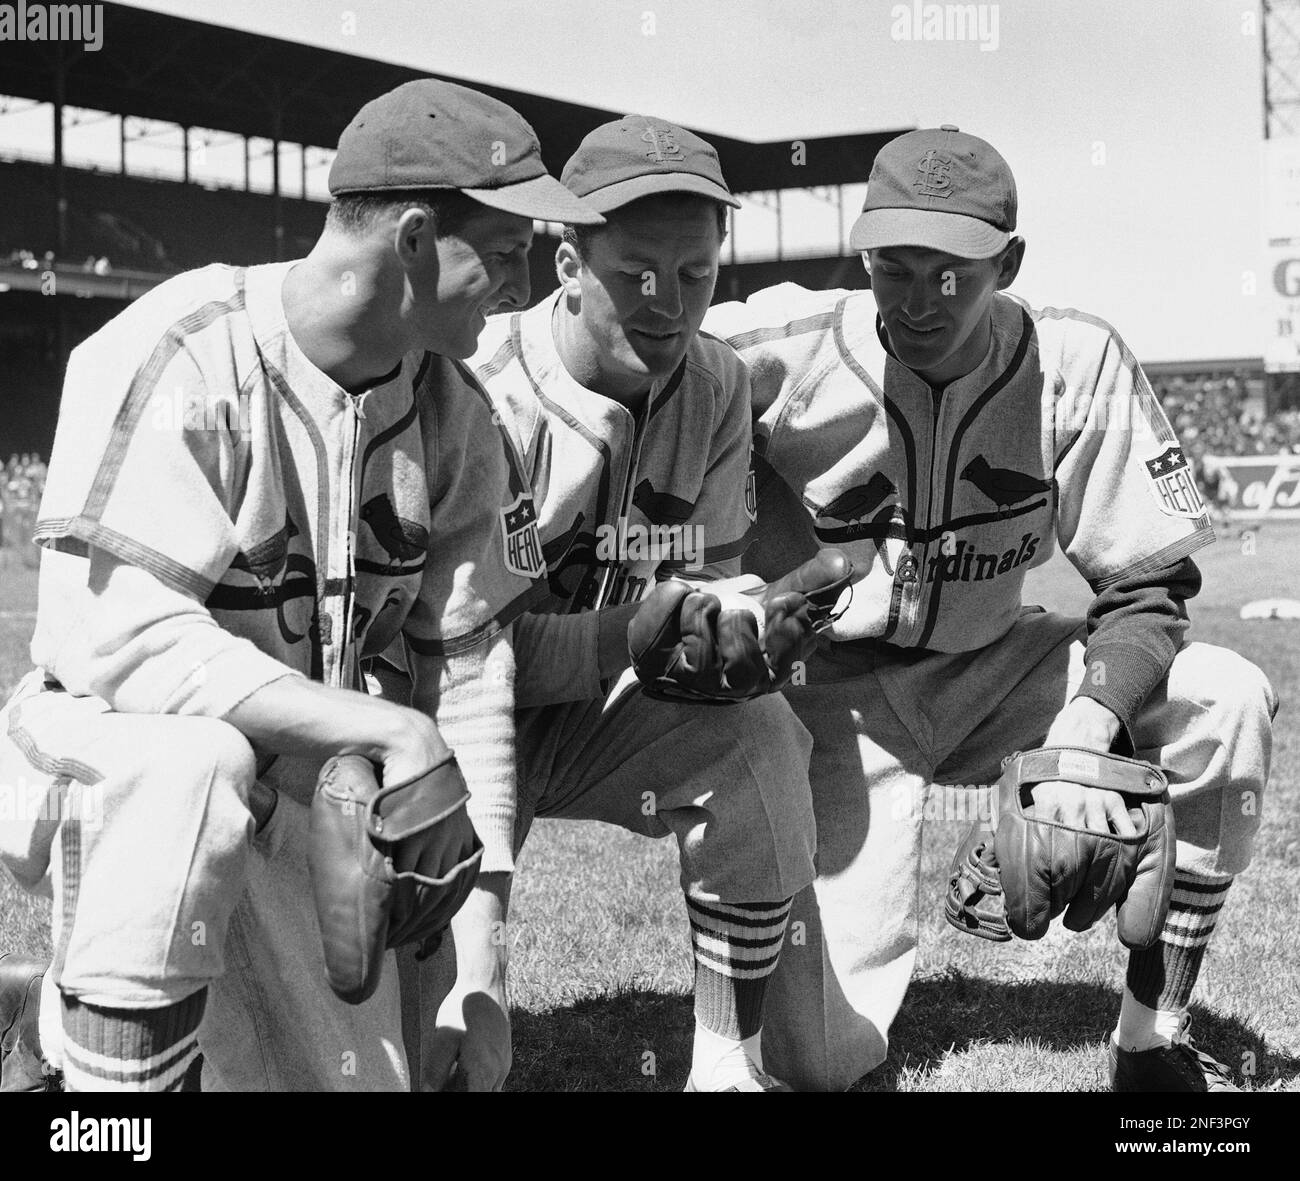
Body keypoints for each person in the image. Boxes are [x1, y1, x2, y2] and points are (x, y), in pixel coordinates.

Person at [0, 79, 602, 1092]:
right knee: (194, 764)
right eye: (505, 253)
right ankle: (82, 1081)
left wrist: (477, 947)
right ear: (414, 238)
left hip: (312, 797)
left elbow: (469, 669)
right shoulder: (186, 348)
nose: (523, 282)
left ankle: (55, 1019)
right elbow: (125, 643)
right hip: (105, 751)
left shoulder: (457, 413)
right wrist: (387, 730)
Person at [705, 126, 1277, 1092]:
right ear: (865, 255)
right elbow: (627, 362)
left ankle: (1151, 1039)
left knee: (1225, 696)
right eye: (896, 266)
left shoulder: (1073, 360)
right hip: (842, 700)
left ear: (1008, 263)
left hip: (998, 666)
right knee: (821, 1060)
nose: (919, 300)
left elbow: (1148, 585)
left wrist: (1090, 729)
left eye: (952, 274)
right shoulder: (777, 349)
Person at [432, 116, 819, 1092]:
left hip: (601, 703)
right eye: (637, 271)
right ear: (567, 260)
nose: (669, 303)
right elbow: (464, 658)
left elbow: (710, 574)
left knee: (761, 733)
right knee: (442, 1054)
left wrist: (739, 629)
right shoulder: (479, 391)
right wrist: (481, 932)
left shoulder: (718, 384)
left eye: (695, 274)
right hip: (449, 715)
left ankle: (730, 1063)